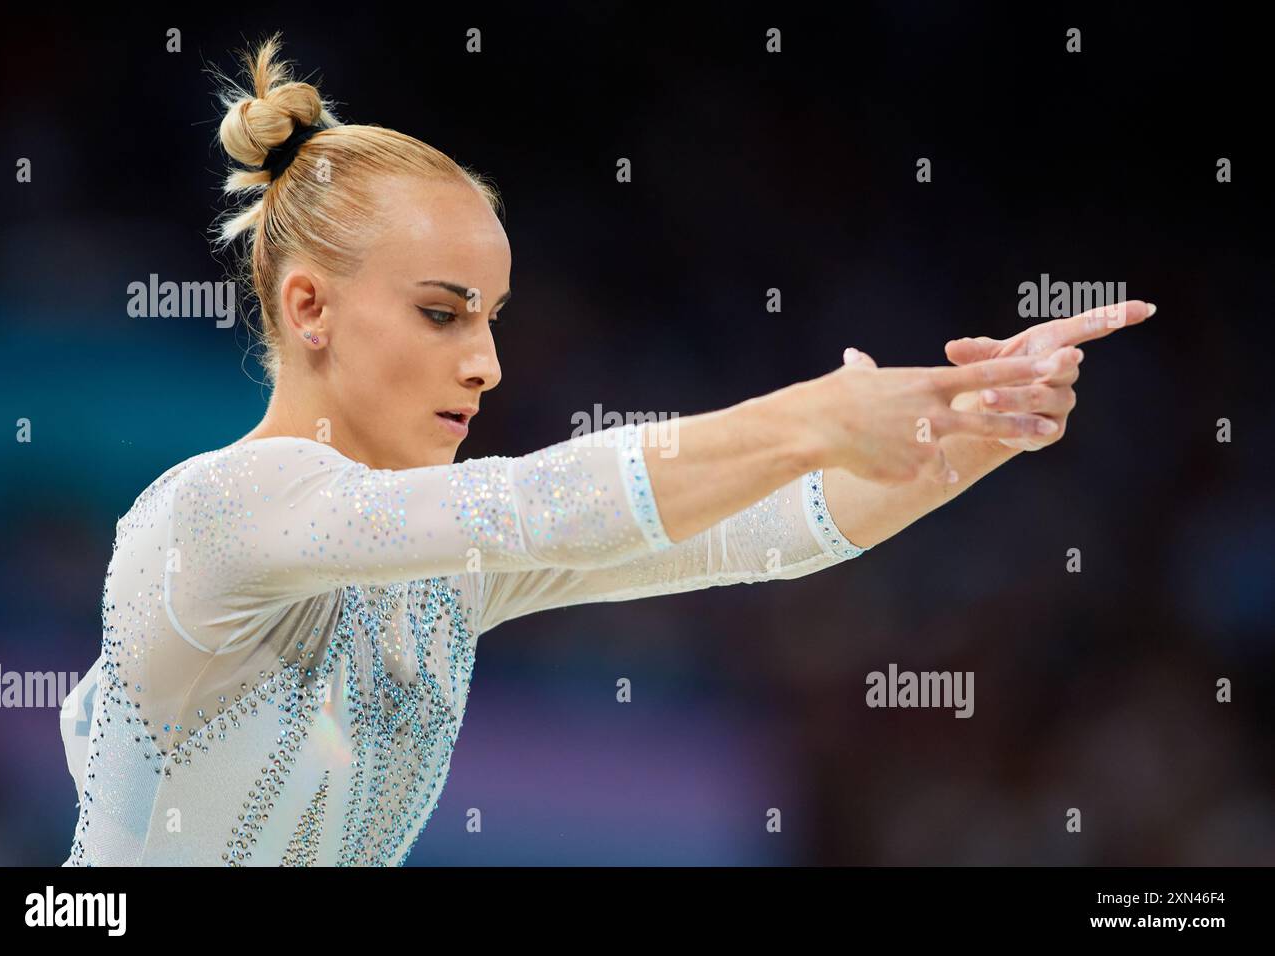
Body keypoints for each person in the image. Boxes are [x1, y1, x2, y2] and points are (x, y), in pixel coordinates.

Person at [58, 34, 1153, 866]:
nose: (487, 363)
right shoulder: (222, 509)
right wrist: (809, 414)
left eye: (492, 317)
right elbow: (540, 503)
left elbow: (750, 536)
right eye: (444, 314)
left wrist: (973, 431)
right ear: (310, 307)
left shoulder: (428, 574)